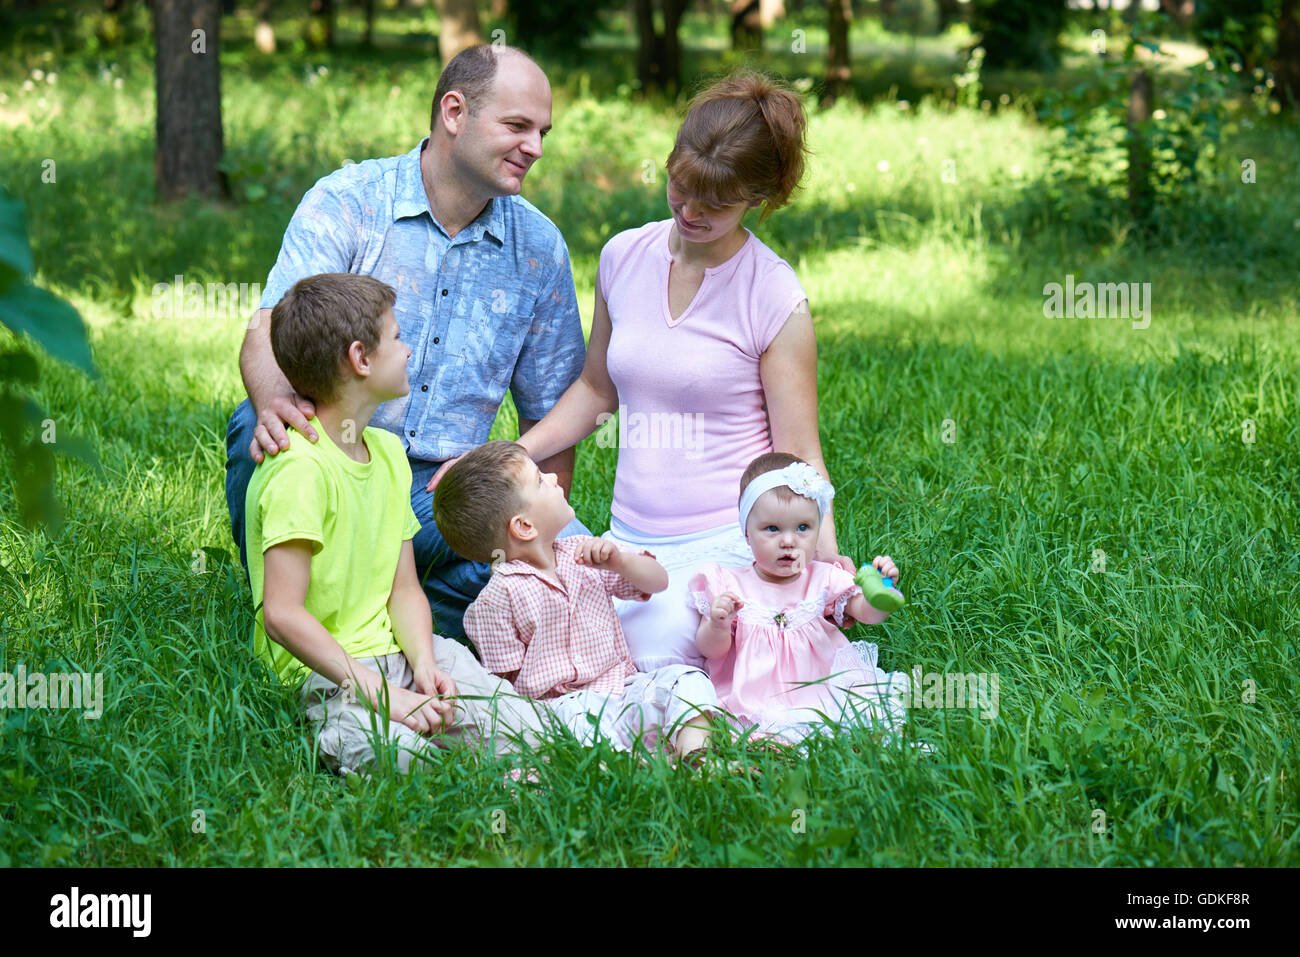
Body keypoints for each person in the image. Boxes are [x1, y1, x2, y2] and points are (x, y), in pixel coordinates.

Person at [443, 71, 854, 672]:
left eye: (713, 205)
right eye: (680, 187)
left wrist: (822, 577)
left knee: (655, 660)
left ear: (758, 199)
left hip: (726, 545)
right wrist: (506, 460)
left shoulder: (773, 294)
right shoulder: (623, 256)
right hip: (628, 545)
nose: (689, 211)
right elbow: (594, 390)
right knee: (555, 638)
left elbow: (799, 459)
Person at [225, 44, 588, 640]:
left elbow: (554, 414)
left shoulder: (540, 248)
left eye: (543, 131)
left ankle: (389, 609)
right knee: (255, 428)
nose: (537, 149)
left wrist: (534, 542)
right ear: (454, 113)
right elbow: (268, 328)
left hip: (450, 501)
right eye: (518, 126)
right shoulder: (349, 201)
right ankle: (302, 610)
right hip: (341, 467)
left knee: (573, 575)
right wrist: (271, 402)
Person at [246, 273, 554, 775]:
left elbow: (405, 589)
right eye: (396, 337)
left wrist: (425, 664)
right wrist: (386, 698)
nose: (409, 350)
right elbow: (282, 615)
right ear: (360, 359)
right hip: (325, 678)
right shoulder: (299, 470)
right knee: (414, 763)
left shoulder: (389, 455)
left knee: (533, 731)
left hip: (401, 655)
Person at [434, 440, 720, 759]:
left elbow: (658, 580)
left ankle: (697, 758)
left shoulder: (583, 554)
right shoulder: (494, 604)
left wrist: (620, 562)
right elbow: (505, 690)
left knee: (686, 679)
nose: (555, 478)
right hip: (561, 710)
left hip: (624, 689)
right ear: (525, 527)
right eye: (541, 480)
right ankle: (635, 768)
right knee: (580, 726)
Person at [687, 452, 910, 744]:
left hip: (824, 684)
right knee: (765, 734)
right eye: (772, 529)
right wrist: (716, 625)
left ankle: (848, 742)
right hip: (759, 696)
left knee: (859, 717)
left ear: (818, 530)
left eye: (803, 528)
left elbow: (865, 613)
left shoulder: (824, 577)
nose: (789, 541)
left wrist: (881, 592)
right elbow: (711, 652)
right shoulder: (730, 584)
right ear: (746, 533)